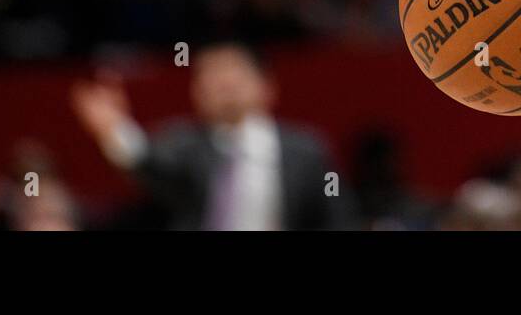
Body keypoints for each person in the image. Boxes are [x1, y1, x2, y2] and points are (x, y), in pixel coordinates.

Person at [72, 41, 352, 229]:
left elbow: (335, 218)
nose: (224, 83)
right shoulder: (181, 143)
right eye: (212, 75)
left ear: (266, 86)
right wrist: (115, 129)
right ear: (196, 93)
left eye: (234, 72)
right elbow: (148, 164)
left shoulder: (306, 150)